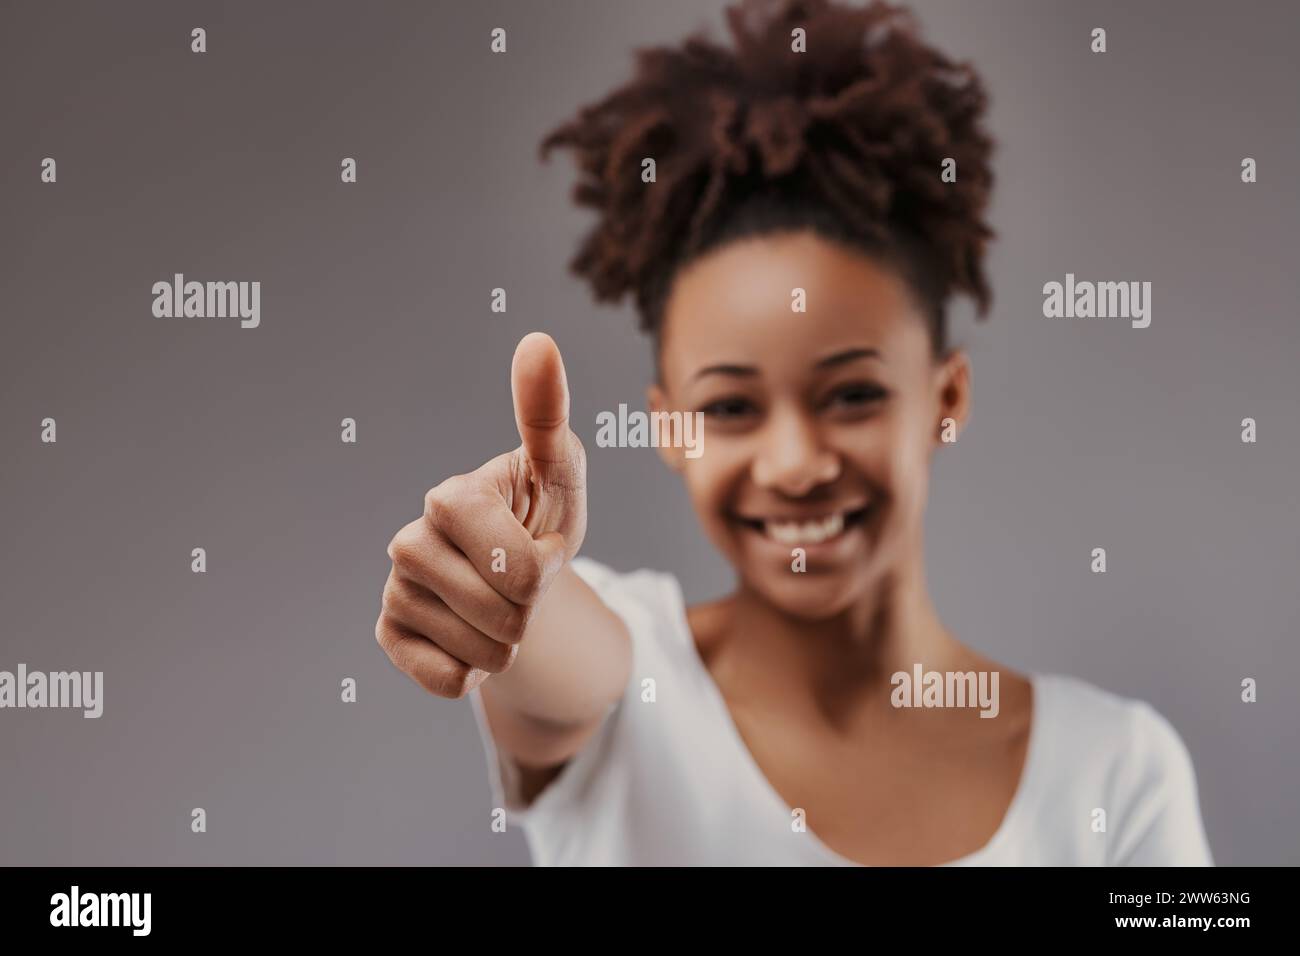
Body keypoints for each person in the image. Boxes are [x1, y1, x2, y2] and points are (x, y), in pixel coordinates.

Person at [374, 0, 1213, 866]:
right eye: (730, 408)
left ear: (947, 396)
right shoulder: (632, 675)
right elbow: (556, 658)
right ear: (666, 426)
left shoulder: (1118, 774)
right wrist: (508, 589)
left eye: (852, 394)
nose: (796, 464)